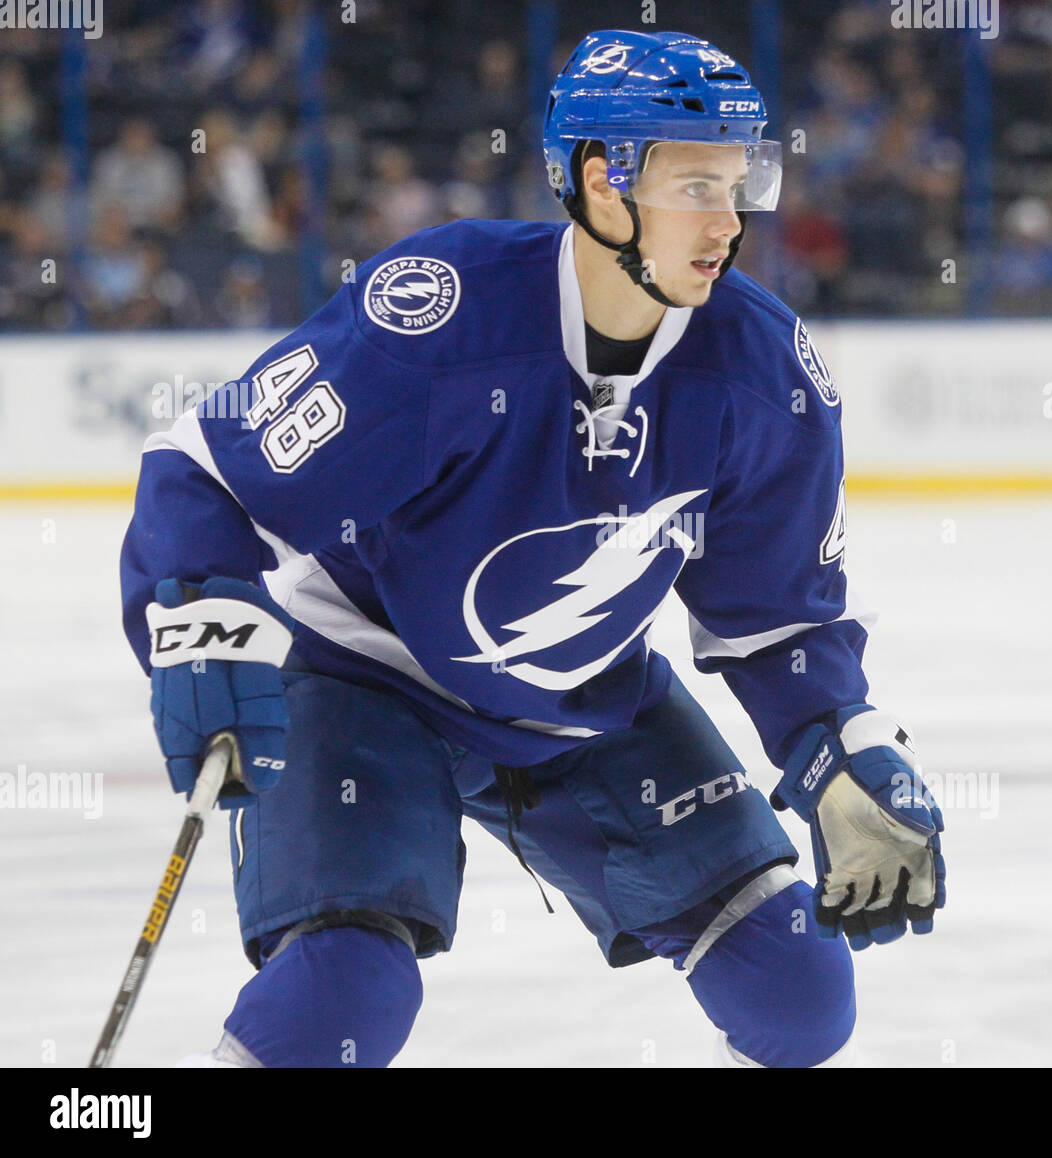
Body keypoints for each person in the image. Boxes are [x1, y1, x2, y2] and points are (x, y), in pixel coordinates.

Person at [120, 29, 945, 1069]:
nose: (729, 225)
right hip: (364, 672)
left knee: (797, 993)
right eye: (696, 187)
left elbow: (776, 617)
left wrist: (839, 750)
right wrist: (199, 620)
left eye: (740, 186)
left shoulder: (762, 372)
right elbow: (209, 469)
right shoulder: (445, 313)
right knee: (344, 995)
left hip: (583, 697)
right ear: (603, 184)